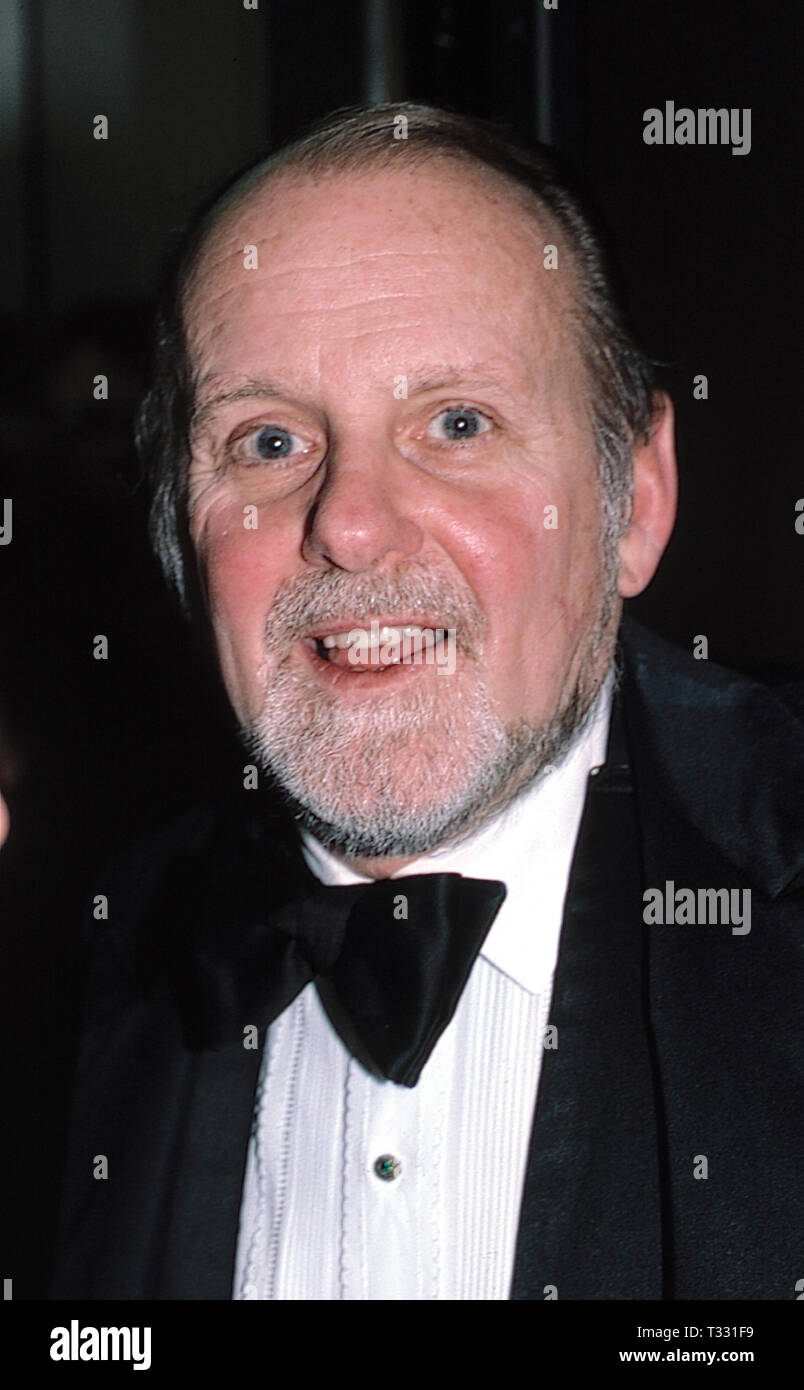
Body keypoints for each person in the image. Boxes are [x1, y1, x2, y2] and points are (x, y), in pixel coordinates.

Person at [50, 102, 803, 1302]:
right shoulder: (80, 952)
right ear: (178, 545)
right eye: (267, 441)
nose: (348, 523)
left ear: (636, 503)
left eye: (457, 422)